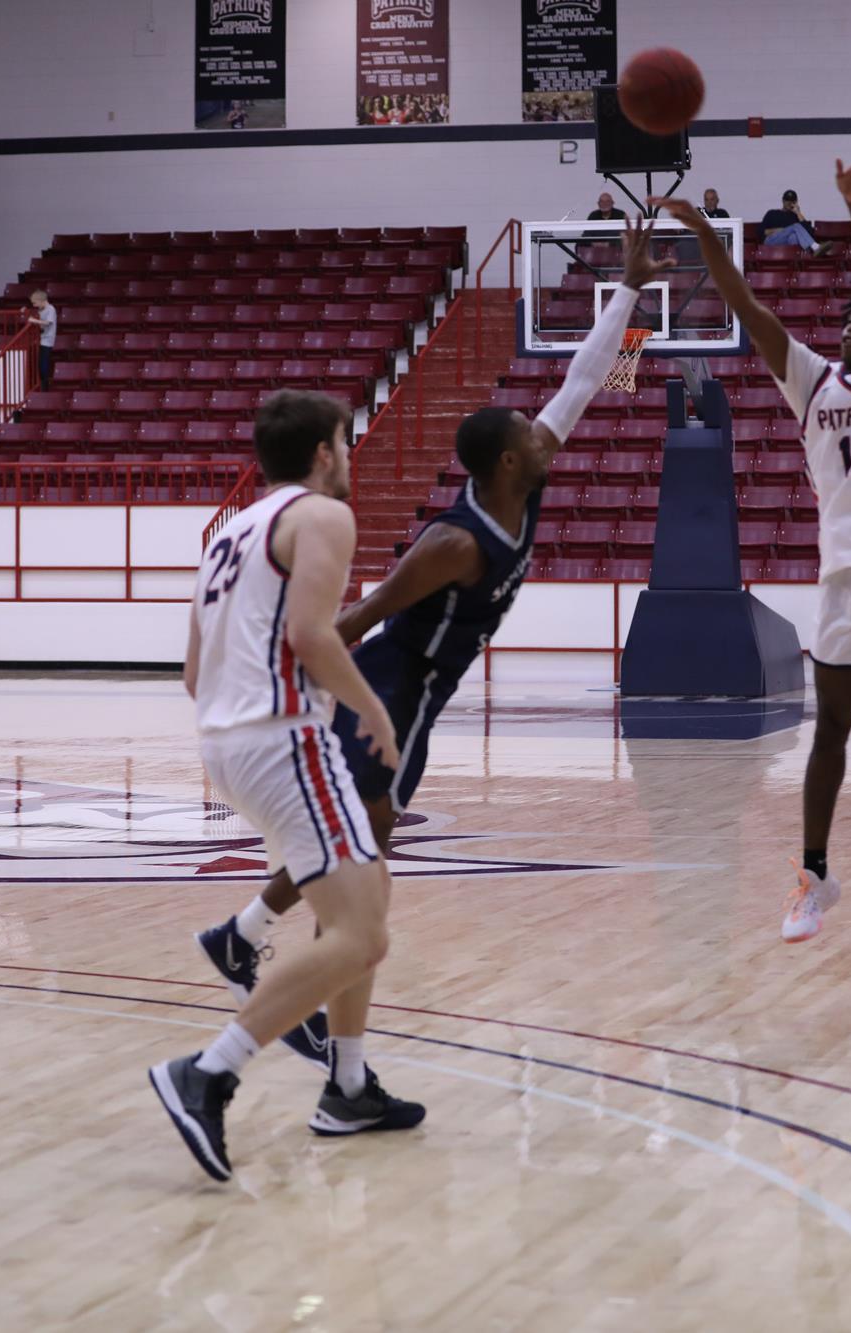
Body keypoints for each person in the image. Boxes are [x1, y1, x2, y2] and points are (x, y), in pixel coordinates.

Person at [194, 219, 674, 1082]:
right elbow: (362, 616)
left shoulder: (522, 477)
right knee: (362, 867)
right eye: (529, 433)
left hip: (413, 694)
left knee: (353, 851)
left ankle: (244, 937)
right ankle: (301, 1012)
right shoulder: (454, 544)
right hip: (397, 689)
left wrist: (629, 290)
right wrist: (290, 671)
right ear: (502, 461)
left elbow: (582, 380)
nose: (545, 433)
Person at [655, 152, 851, 952]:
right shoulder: (813, 383)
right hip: (839, 582)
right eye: (846, 319)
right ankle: (816, 874)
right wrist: (706, 235)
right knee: (830, 735)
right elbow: (748, 308)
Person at [151, 390, 413, 1182]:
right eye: (346, 441)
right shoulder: (322, 518)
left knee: (366, 899)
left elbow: (195, 672)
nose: (349, 456)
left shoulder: (226, 532)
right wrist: (371, 710)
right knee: (362, 935)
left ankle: (350, 1085)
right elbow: (309, 634)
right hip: (284, 736)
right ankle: (209, 1070)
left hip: (226, 741)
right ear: (325, 453)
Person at [26, 290, 57, 389]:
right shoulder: (41, 310)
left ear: (41, 300)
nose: (34, 305)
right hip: (42, 339)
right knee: (40, 364)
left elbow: (48, 322)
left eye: (35, 303)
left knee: (43, 364)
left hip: (47, 340)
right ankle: (42, 383)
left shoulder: (50, 308)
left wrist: (34, 320)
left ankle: (45, 385)